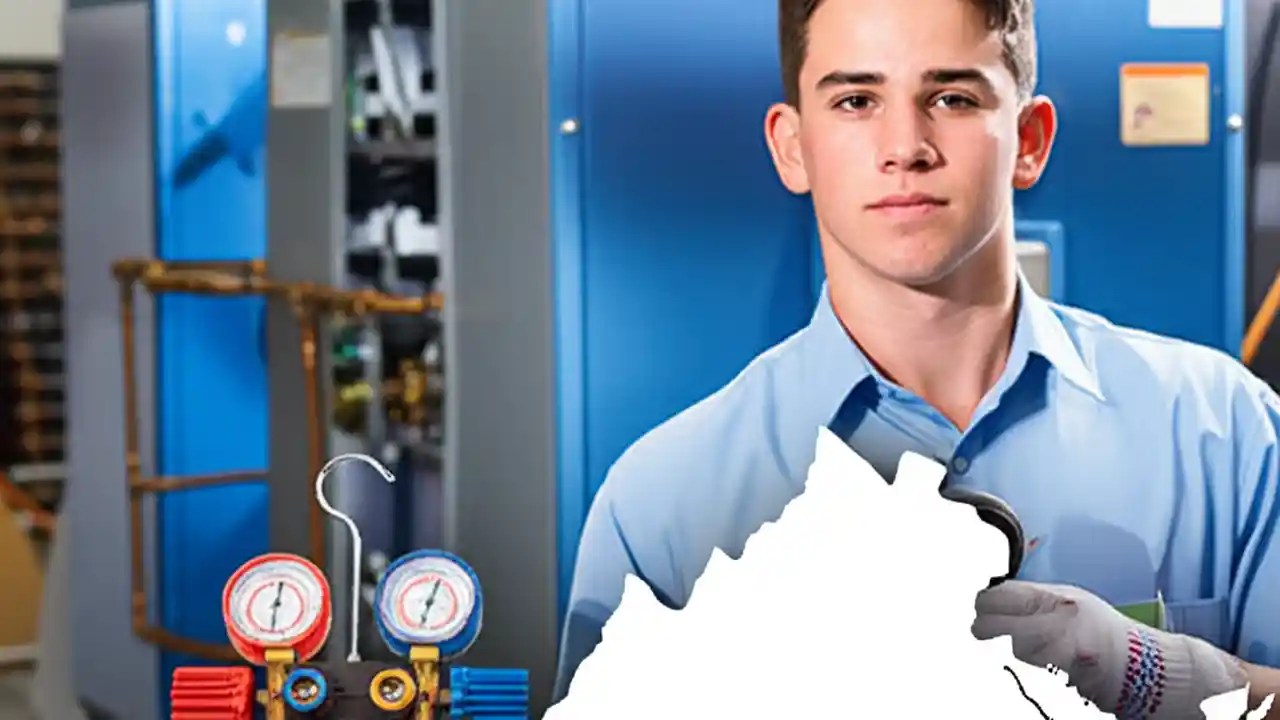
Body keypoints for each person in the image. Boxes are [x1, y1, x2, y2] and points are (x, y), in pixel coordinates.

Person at [552, 0, 1280, 715]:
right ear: (792, 147)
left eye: (953, 97)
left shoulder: (1226, 436)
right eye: (857, 100)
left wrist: (1167, 678)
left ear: (1029, 139)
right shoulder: (661, 507)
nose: (905, 145)